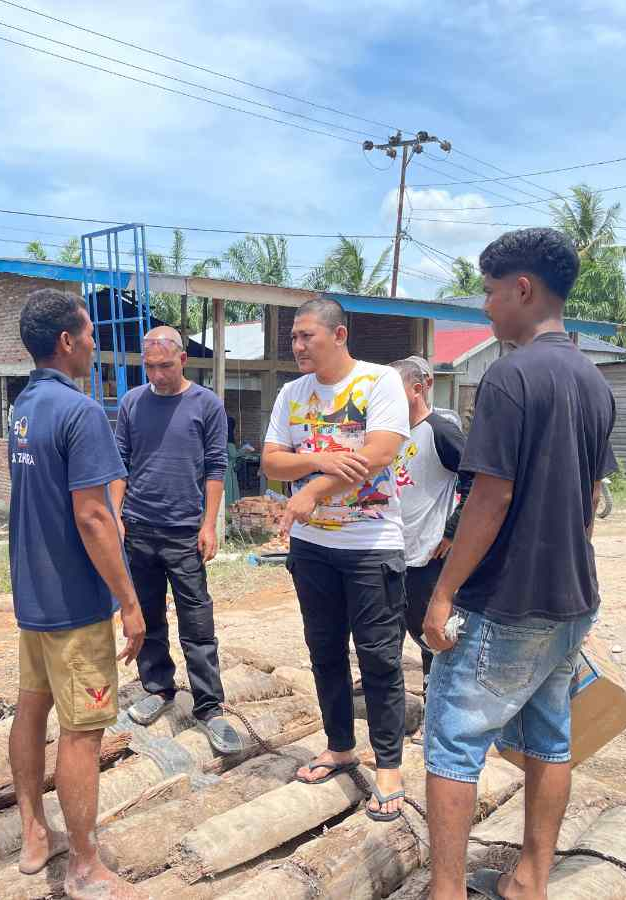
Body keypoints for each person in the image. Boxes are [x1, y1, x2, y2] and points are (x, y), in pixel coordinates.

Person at [421, 228, 617, 900]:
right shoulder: (594, 380)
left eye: (489, 290)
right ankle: (530, 877)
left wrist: (443, 593)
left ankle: (445, 890)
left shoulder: (509, 376)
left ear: (523, 288)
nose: (485, 307)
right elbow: (590, 497)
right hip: (571, 597)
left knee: (452, 744)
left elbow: (491, 496)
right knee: (549, 737)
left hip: (505, 603)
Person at [6, 288, 147, 900]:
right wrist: (131, 602)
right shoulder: (81, 411)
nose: (94, 342)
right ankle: (85, 863)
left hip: (33, 596)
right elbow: (93, 519)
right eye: (88, 333)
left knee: (30, 707)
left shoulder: (24, 406)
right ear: (67, 341)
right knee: (82, 731)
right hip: (74, 603)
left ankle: (34, 833)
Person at [261, 297, 412, 821]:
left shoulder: (379, 383)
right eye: (294, 338)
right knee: (324, 651)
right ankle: (341, 744)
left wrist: (309, 493)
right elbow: (272, 462)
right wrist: (322, 459)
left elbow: (378, 455)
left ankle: (388, 764)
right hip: (314, 551)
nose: (297, 346)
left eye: (307, 336)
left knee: (379, 658)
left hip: (370, 547)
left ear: (339, 335)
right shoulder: (290, 393)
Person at [110, 326, 242, 754]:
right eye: (150, 366)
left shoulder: (206, 404)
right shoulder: (132, 402)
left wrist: (209, 525)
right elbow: (121, 462)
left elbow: (216, 467)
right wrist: (116, 516)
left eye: (165, 366)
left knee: (197, 622)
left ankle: (209, 706)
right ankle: (158, 688)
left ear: (182, 360)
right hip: (140, 528)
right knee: (146, 615)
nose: (158, 374)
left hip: (185, 531)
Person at [389, 356, 471, 705]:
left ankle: (440, 702)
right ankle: (394, 697)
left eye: (392, 389)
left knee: (432, 630)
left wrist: (452, 530)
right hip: (395, 549)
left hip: (430, 553)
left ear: (418, 389)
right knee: (394, 627)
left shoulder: (440, 431)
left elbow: (479, 481)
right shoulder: (392, 435)